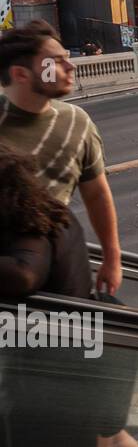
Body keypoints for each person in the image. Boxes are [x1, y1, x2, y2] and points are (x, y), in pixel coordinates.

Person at [0, 147, 138, 447]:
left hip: (69, 362)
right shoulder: (45, 209)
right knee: (112, 443)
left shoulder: (25, 227)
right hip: (103, 337)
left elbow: (24, 275)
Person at [0, 21, 123, 296]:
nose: (71, 67)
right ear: (20, 73)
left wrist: (112, 258)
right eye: (56, 62)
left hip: (56, 253)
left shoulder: (77, 122)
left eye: (67, 58)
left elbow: (96, 195)